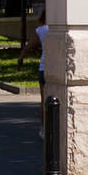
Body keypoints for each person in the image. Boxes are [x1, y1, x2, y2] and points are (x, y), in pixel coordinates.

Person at [35, 10, 48, 140]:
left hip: (44, 67)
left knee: (44, 100)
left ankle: (43, 128)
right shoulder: (58, 29)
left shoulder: (40, 30)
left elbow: (29, 46)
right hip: (57, 67)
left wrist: (21, 58)